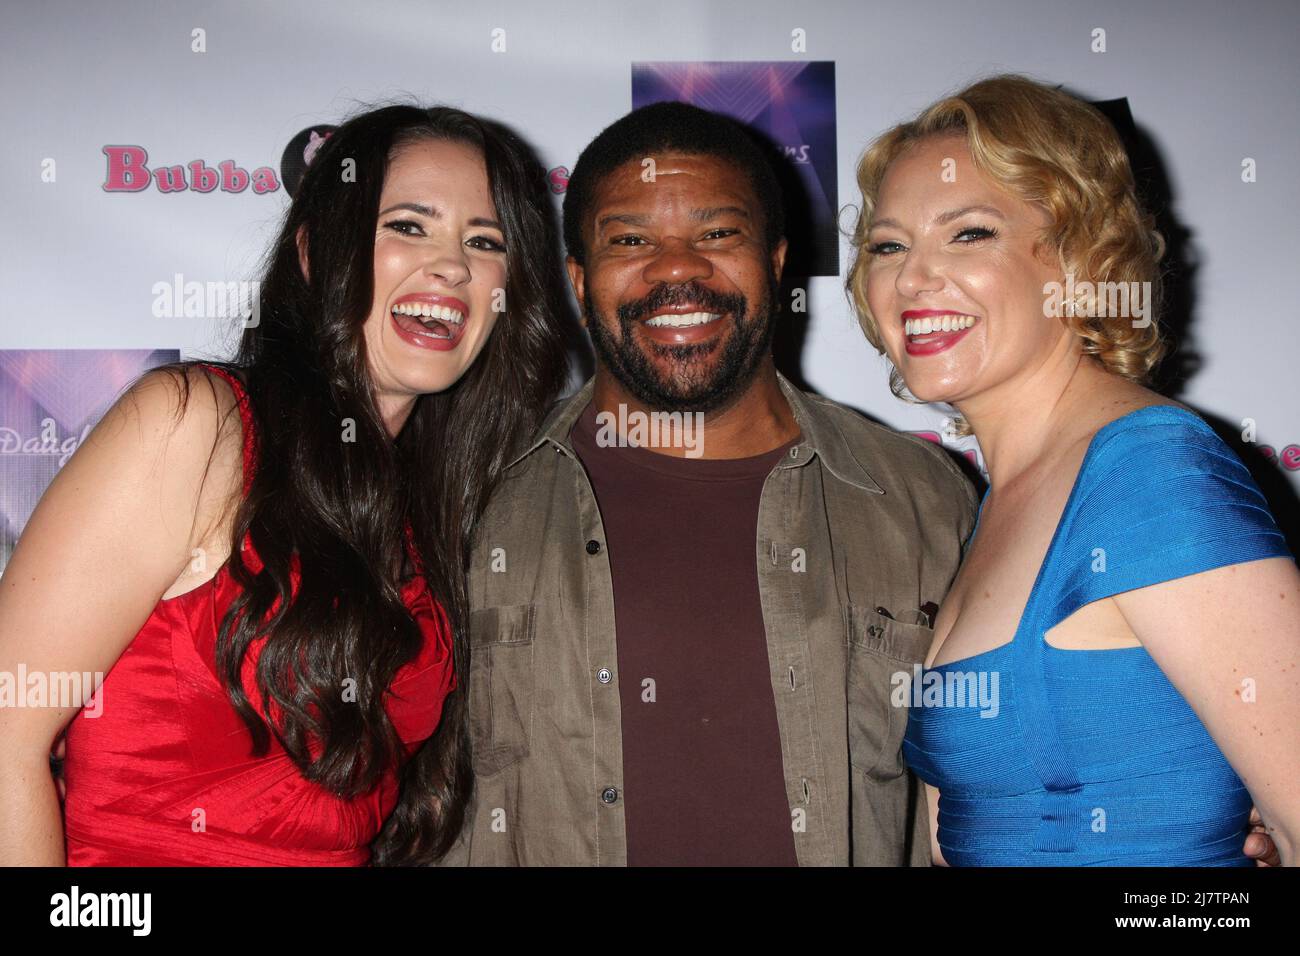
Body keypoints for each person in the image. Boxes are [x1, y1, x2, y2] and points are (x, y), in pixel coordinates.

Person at [0, 104, 570, 865]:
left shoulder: (435, 510)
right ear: (313, 253)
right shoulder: (198, 427)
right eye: (408, 225)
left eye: (484, 241)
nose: (453, 266)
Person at [438, 101, 977, 866]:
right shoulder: (469, 491)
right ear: (578, 280)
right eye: (630, 240)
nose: (679, 268)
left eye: (719, 234)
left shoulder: (923, 497)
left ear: (778, 260)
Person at [847, 74, 1300, 865]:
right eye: (889, 245)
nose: (914, 278)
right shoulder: (998, 499)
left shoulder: (1150, 472)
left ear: (1075, 260)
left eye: (969, 233)